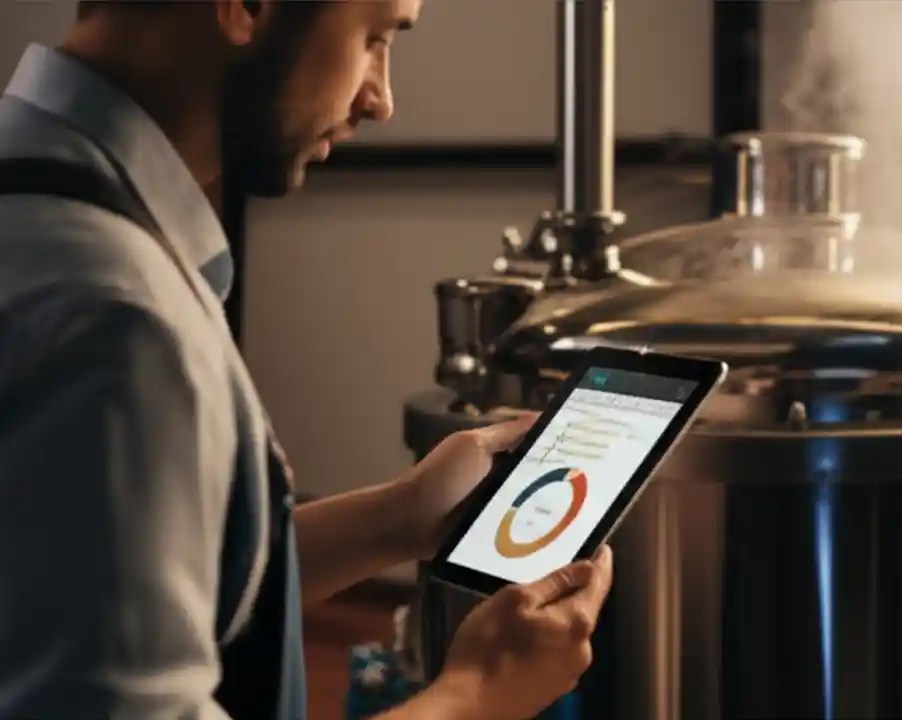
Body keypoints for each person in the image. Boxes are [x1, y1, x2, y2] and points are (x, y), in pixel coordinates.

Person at [0, 1, 613, 718]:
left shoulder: (37, 201)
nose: (381, 99)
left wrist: (400, 517)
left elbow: (80, 579)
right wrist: (475, 696)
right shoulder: (120, 324)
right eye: (374, 37)